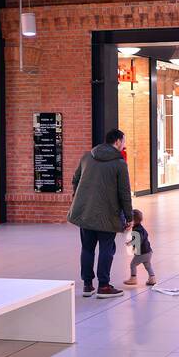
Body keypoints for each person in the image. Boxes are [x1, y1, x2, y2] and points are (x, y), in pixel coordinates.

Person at [69, 128, 133, 299]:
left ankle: (87, 285)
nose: (124, 145)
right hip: (107, 214)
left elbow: (75, 179)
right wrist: (129, 217)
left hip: (85, 212)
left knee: (87, 248)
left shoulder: (87, 156)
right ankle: (104, 286)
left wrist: (81, 197)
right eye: (124, 141)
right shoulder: (119, 163)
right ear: (118, 142)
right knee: (107, 248)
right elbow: (124, 193)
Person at [123, 208, 156, 287]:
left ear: (133, 220)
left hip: (142, 253)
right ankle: (152, 278)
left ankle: (133, 278)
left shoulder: (136, 230)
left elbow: (138, 240)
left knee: (132, 264)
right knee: (148, 265)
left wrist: (130, 243)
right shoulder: (140, 228)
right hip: (148, 252)